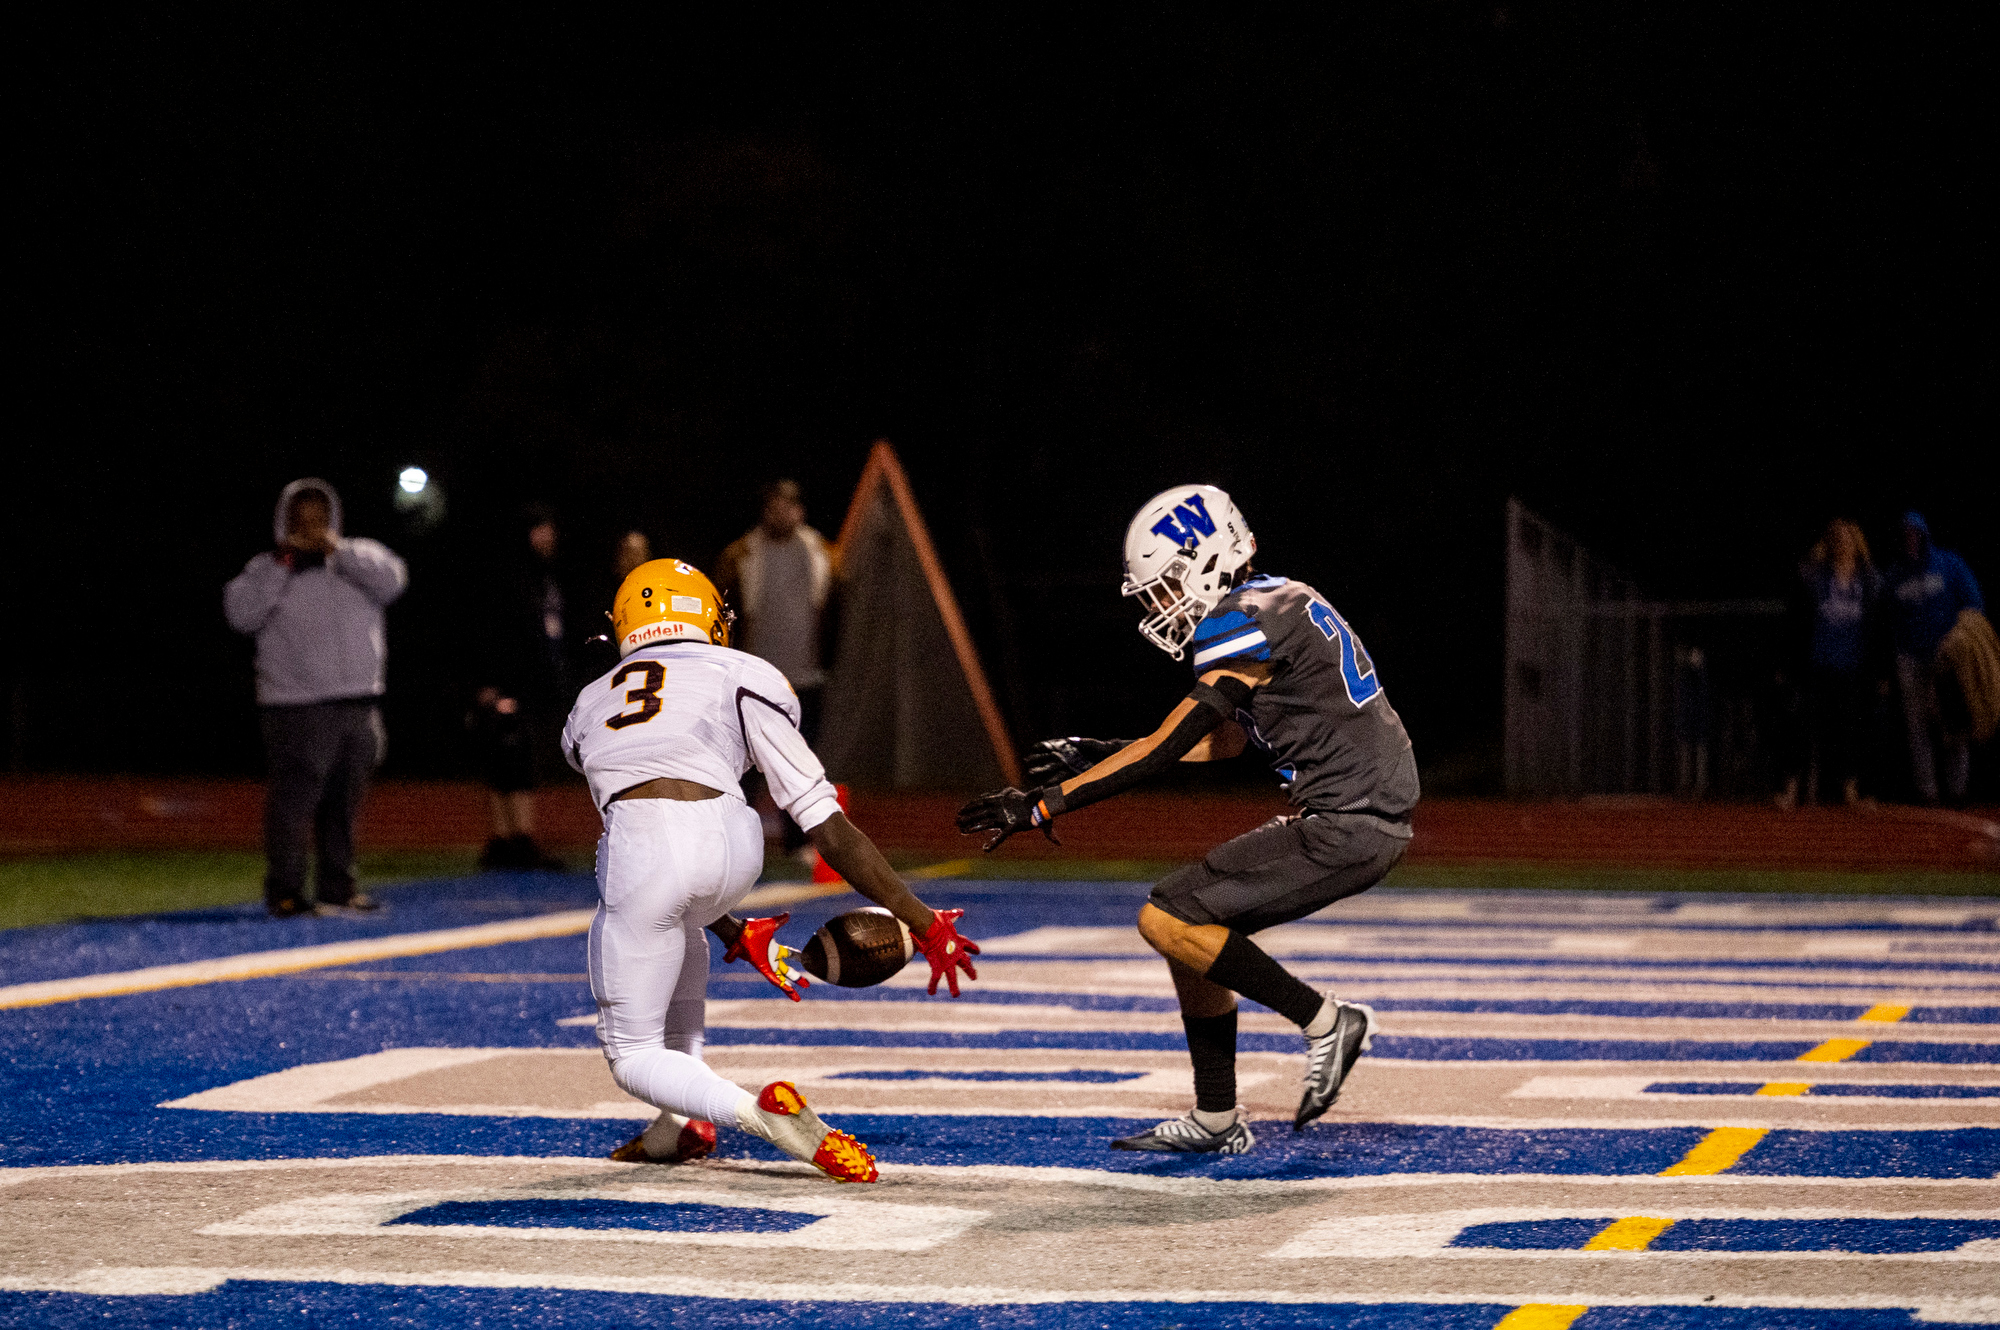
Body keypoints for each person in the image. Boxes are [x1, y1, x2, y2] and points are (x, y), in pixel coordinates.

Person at [958, 485, 1417, 1155]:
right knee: (1186, 925)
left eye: (1168, 584)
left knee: (1165, 918)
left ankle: (1327, 1021)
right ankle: (1216, 1118)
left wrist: (1041, 805)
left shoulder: (1241, 619)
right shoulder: (1281, 597)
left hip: (1349, 820)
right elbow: (1222, 741)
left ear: (1208, 559)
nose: (1163, 605)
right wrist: (1100, 752)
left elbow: (1165, 749)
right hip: (1358, 813)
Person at [564, 556, 979, 1179]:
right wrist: (921, 921)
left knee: (631, 1054)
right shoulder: (743, 671)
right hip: (737, 839)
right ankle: (679, 1125)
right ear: (708, 615)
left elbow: (649, 829)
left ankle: (757, 1115)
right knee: (682, 927)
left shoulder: (590, 702)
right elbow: (824, 823)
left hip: (646, 850)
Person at [224, 479, 408, 917]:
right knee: (294, 801)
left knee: (345, 801)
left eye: (318, 518)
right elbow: (240, 614)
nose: (310, 527)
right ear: (285, 522)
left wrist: (337, 552)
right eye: (300, 519)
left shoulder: (356, 557)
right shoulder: (267, 568)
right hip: (296, 704)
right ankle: (285, 890)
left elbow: (392, 582)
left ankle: (337, 887)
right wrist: (283, 563)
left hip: (359, 701)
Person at [470, 505, 572, 869]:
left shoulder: (545, 577)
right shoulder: (509, 576)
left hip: (533, 685)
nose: (548, 537)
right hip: (510, 684)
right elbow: (491, 632)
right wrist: (490, 683)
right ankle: (512, 838)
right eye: (540, 530)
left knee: (518, 756)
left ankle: (510, 839)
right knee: (510, 755)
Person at [714, 480, 834, 741]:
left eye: (789, 506)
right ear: (765, 511)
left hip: (807, 676)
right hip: (758, 676)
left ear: (800, 510)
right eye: (775, 507)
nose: (782, 514)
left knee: (804, 753)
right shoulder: (739, 554)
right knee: (755, 751)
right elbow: (720, 611)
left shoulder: (821, 552)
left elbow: (838, 607)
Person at [1778, 519, 1885, 809]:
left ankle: (1851, 791)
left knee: (1851, 729)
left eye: (1847, 537)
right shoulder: (1813, 576)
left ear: (1856, 541)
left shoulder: (1870, 579)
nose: (1842, 543)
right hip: (1816, 663)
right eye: (1836, 538)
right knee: (1801, 726)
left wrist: (1880, 671)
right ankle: (1791, 789)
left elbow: (1879, 628)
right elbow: (1795, 622)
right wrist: (1788, 664)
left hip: (1853, 666)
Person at [1888, 512, 1984, 805]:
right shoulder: (1895, 574)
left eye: (1915, 533)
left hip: (1947, 658)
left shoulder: (1949, 563)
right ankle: (1927, 790)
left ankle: (1957, 790)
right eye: (1906, 534)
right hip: (1910, 657)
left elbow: (1974, 603)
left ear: (1925, 534)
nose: (1911, 539)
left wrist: (1959, 640)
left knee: (1954, 721)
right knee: (1917, 726)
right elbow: (1888, 619)